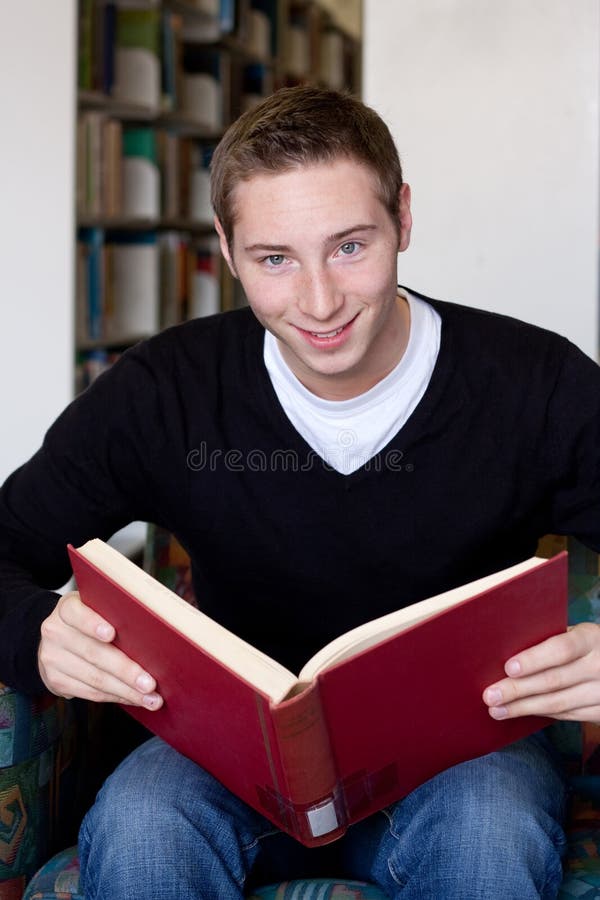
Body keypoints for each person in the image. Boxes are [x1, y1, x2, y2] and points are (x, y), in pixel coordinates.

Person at [1, 85, 599, 900]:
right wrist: (33, 629)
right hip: (218, 758)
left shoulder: (535, 383)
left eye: (351, 246)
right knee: (143, 825)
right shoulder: (164, 390)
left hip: (462, 757)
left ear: (405, 219)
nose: (319, 303)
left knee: (491, 830)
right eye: (274, 259)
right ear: (224, 245)